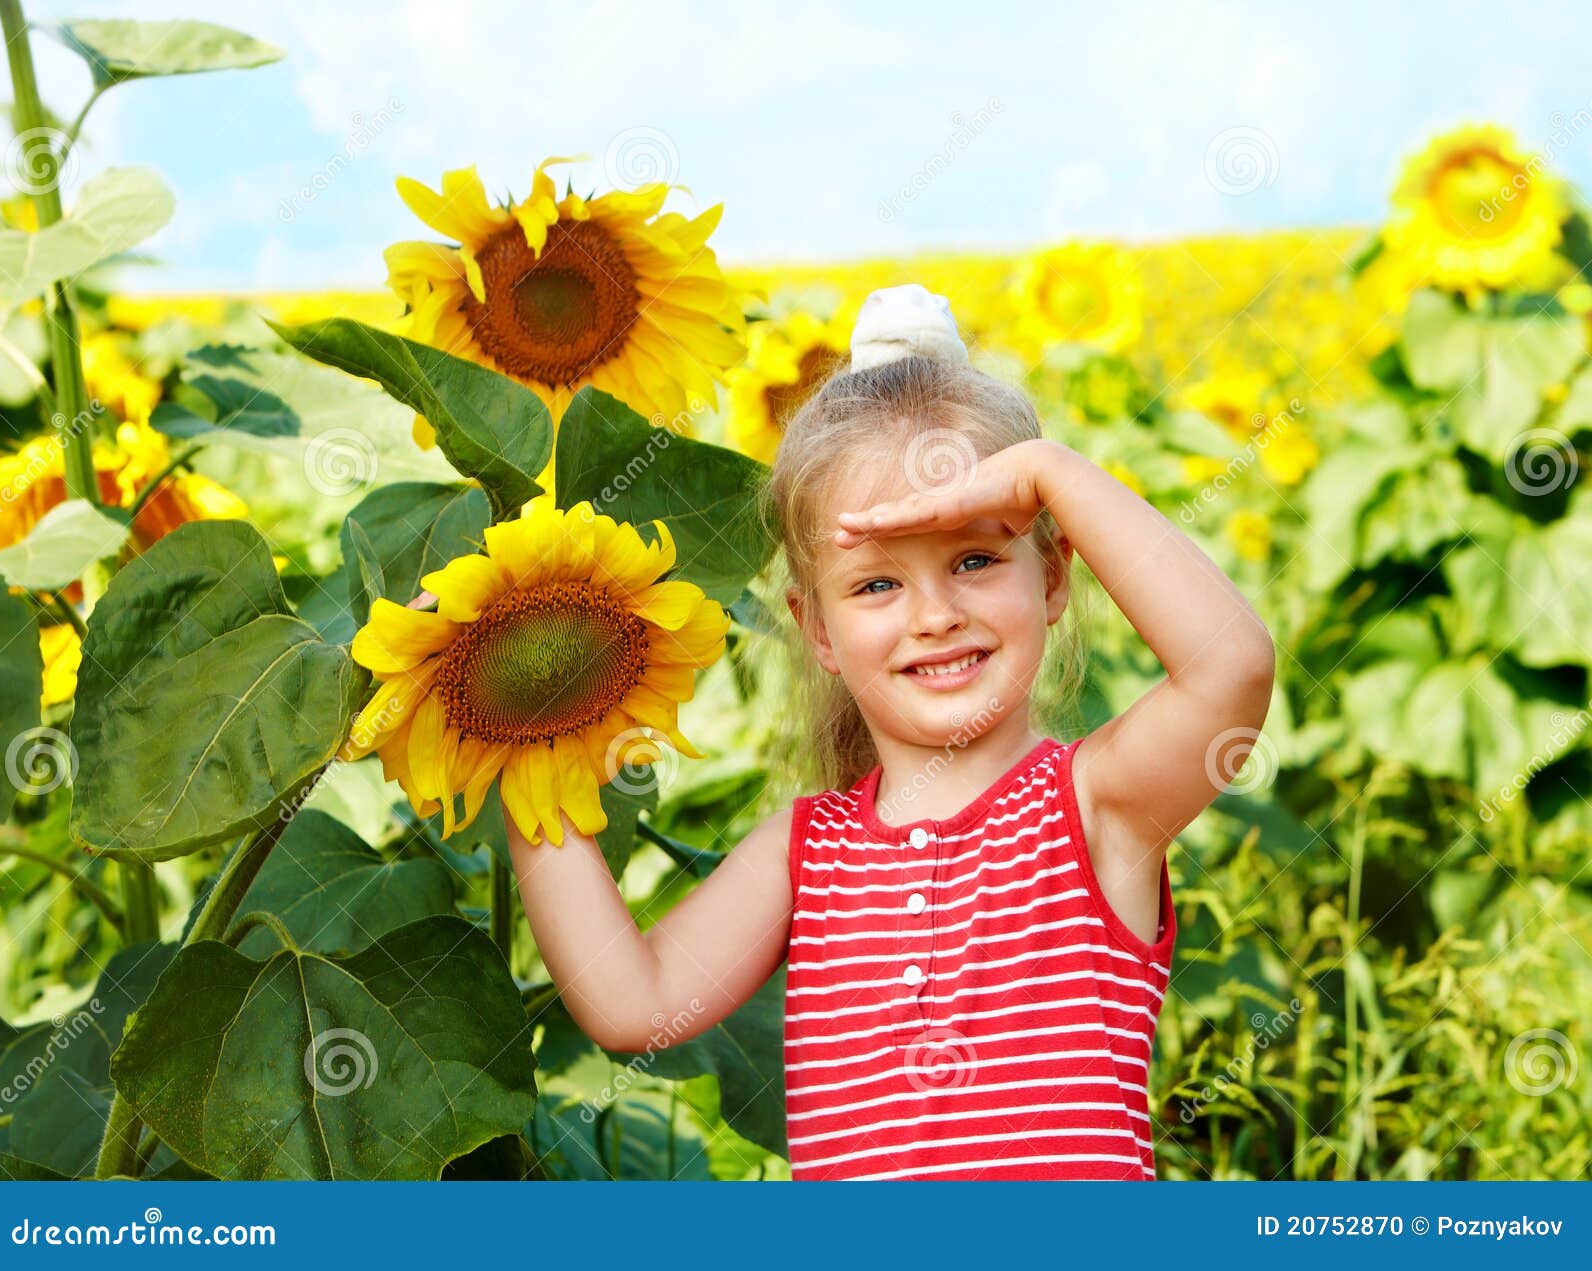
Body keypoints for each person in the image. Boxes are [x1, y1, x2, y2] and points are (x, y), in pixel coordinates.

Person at [508, 282, 1276, 1180]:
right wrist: (524, 738)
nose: (936, 613)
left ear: (1054, 577)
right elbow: (631, 1001)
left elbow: (1232, 667)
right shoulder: (808, 850)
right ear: (819, 630)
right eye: (878, 584)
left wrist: (1049, 473)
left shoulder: (1093, 805)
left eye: (977, 558)